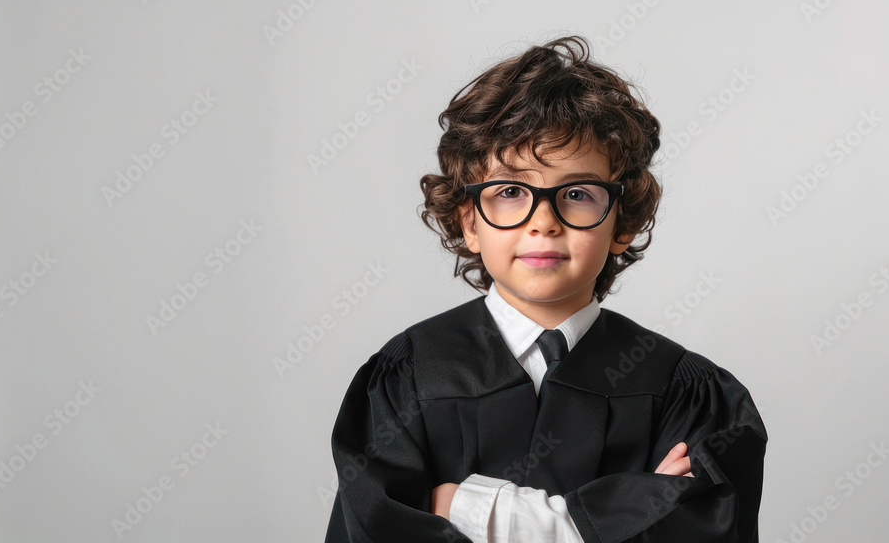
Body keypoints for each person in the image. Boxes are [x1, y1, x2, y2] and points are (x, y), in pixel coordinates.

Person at [325, 35, 767, 542]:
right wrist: (627, 515)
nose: (543, 221)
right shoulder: (407, 377)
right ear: (469, 222)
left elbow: (704, 530)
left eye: (577, 193)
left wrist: (468, 509)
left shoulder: (686, 393)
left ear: (622, 221)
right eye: (511, 191)